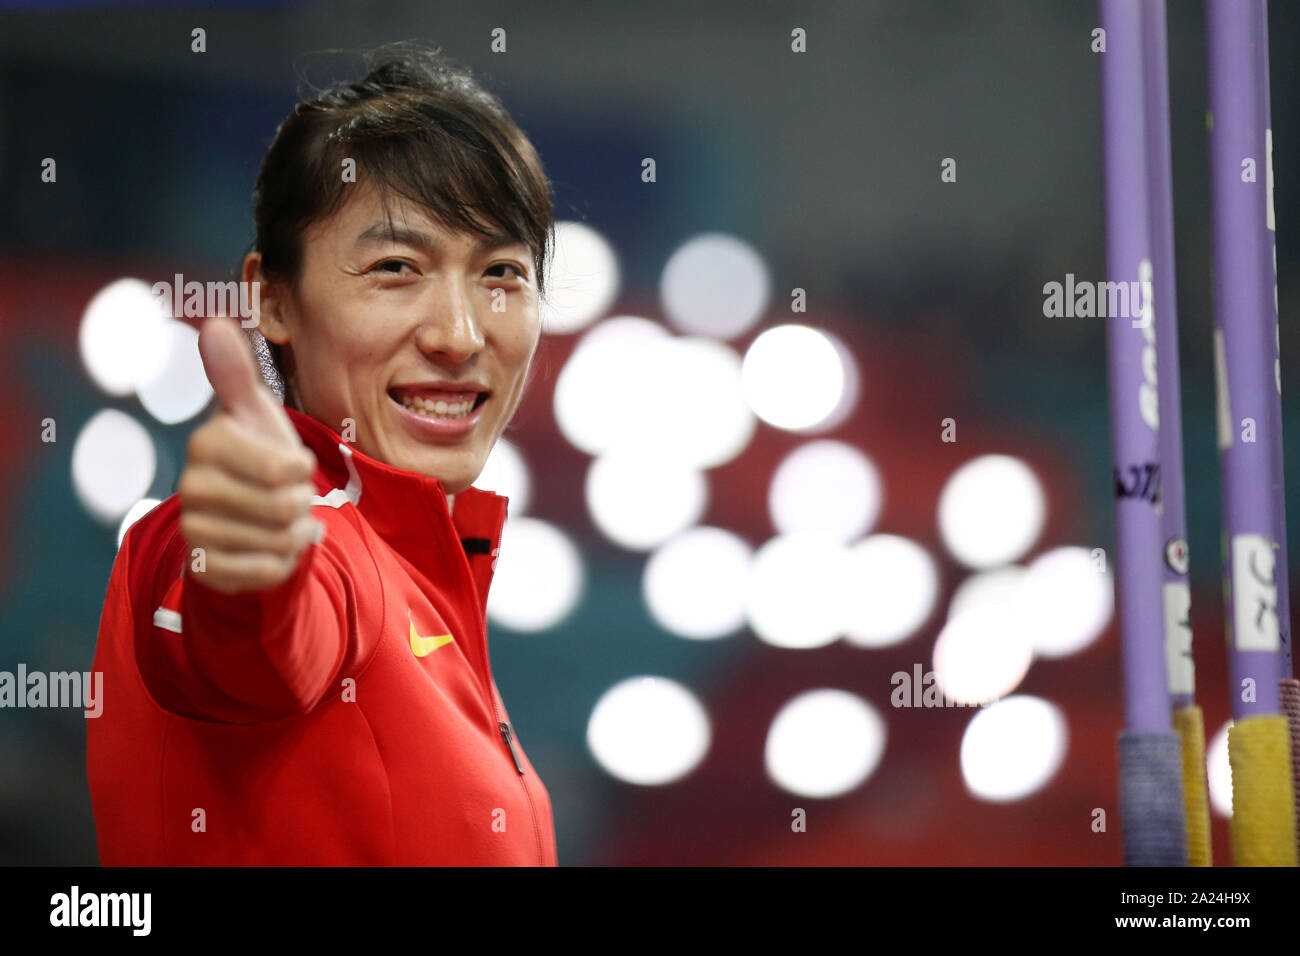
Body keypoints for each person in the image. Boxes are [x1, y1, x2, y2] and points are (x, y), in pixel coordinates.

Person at [87, 44, 559, 865]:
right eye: (395, 268)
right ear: (273, 300)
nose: (459, 333)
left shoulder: (417, 567)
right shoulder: (302, 540)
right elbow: (259, 640)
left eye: (502, 273)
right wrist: (248, 573)